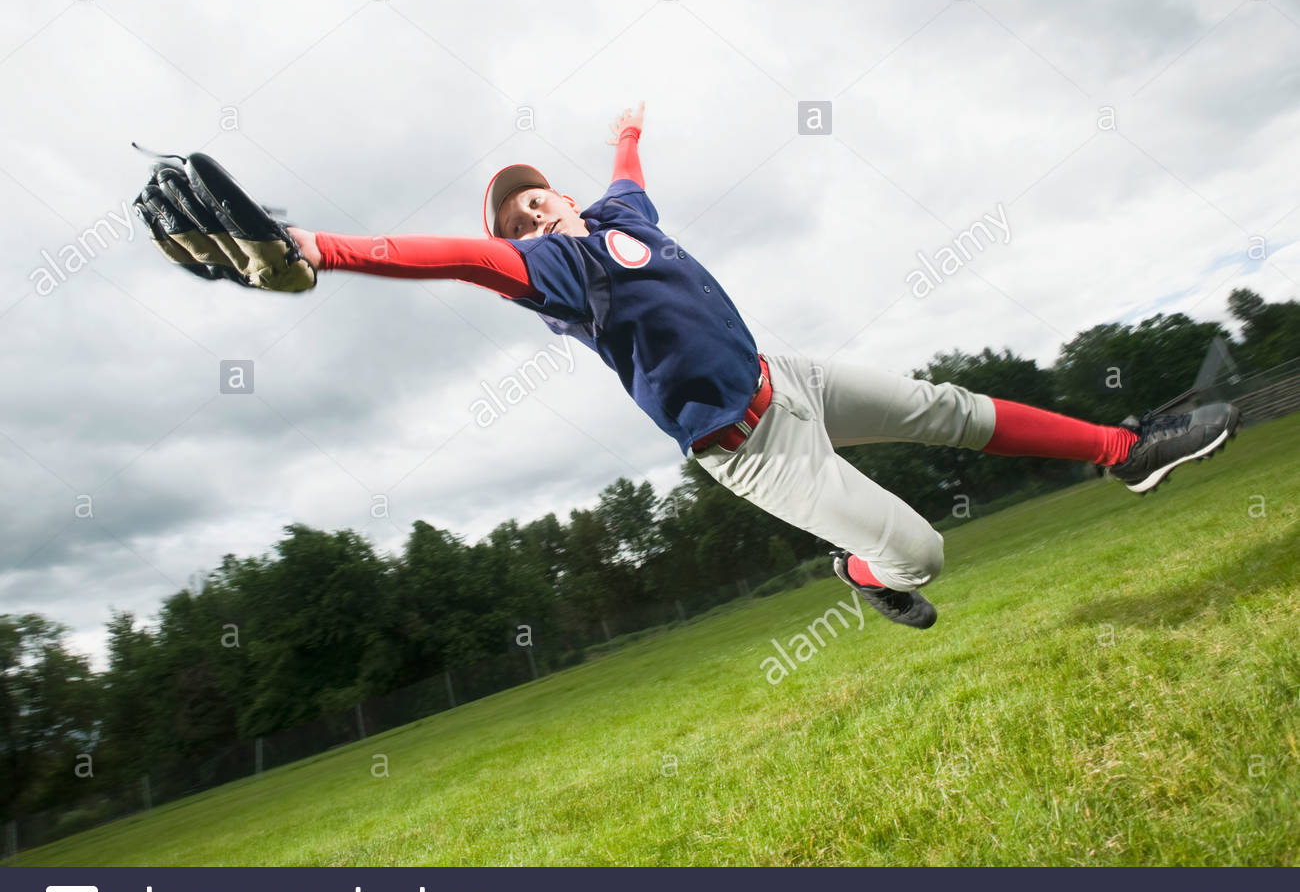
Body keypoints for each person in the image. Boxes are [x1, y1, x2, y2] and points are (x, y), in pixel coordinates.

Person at [240, 102, 1247, 629]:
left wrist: (626, 130)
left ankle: (1126, 448)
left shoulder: (620, 213)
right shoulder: (551, 270)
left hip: (789, 377)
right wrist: (316, 247)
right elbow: (452, 256)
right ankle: (863, 573)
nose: (532, 209)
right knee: (921, 555)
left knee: (949, 407)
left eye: (537, 195)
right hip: (750, 447)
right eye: (515, 212)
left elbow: (628, 169)